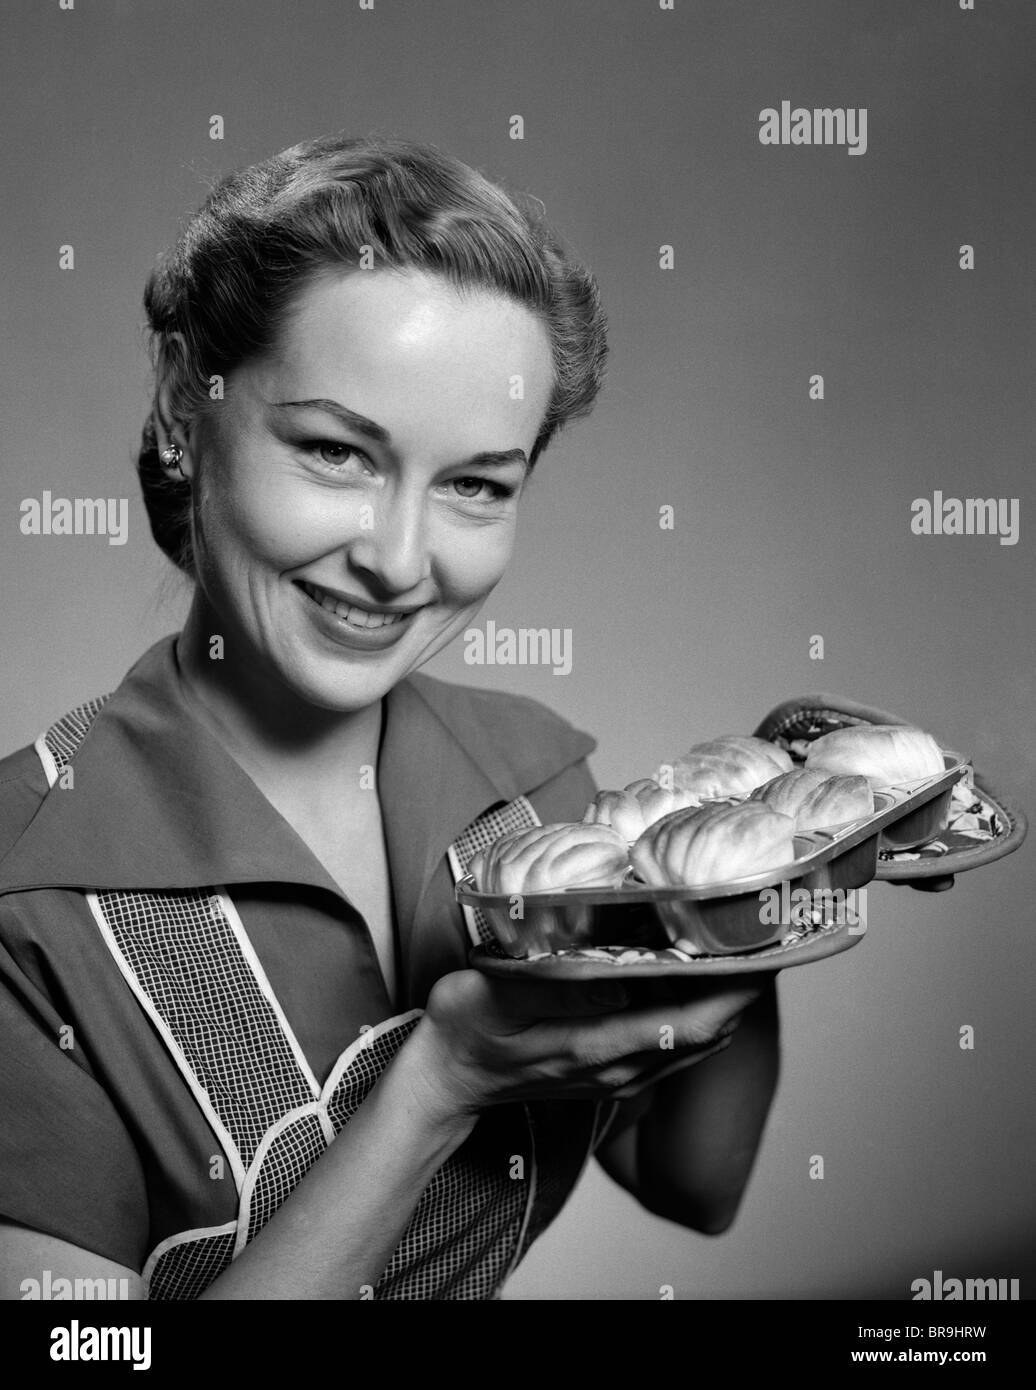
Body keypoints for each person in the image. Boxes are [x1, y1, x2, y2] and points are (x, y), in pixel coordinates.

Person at [0, 132, 779, 1301]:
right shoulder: (27, 893)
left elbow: (694, 1182)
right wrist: (436, 1084)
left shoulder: (531, 785)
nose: (400, 561)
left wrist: (756, 862)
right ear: (183, 404)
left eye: (474, 484)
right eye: (333, 450)